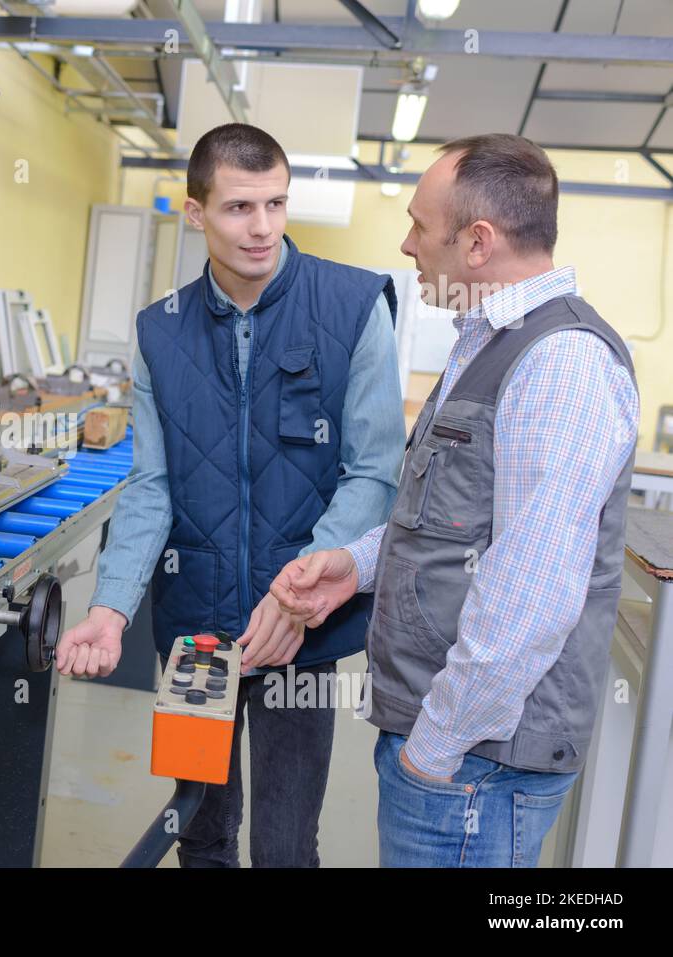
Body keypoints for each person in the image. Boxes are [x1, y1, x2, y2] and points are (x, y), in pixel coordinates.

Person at [270, 133, 640, 868]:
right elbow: (453, 519)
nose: (407, 245)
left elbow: (532, 593)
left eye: (418, 225)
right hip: (451, 753)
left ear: (477, 242)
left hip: (473, 766)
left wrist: (435, 749)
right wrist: (356, 563)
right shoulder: (487, 343)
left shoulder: (560, 361)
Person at [56, 123, 405, 867]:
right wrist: (111, 607)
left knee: (285, 847)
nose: (264, 228)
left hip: (301, 634)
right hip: (195, 637)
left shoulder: (353, 307)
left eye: (277, 204)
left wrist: (294, 596)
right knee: (201, 832)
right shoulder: (162, 332)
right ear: (195, 213)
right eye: (240, 208)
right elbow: (152, 484)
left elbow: (374, 473)